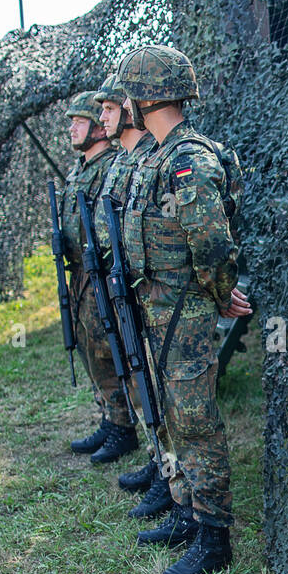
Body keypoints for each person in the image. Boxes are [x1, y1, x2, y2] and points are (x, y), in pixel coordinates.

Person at [115, 45, 252, 574]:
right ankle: (185, 510)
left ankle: (214, 537)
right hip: (158, 306)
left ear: (145, 95)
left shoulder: (186, 159)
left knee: (195, 421)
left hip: (187, 311)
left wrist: (220, 294)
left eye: (130, 91)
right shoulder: (156, 154)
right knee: (173, 416)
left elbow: (212, 243)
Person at [93, 74, 170, 515]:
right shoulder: (126, 158)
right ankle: (157, 459)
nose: (102, 116)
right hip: (124, 283)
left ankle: (169, 471)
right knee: (139, 378)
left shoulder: (149, 157)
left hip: (147, 288)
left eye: (108, 108)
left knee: (153, 383)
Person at [60, 88, 137, 463]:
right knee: (89, 346)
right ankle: (110, 416)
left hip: (101, 274)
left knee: (108, 348)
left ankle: (123, 425)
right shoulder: (82, 168)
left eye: (79, 121)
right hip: (79, 273)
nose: (72, 128)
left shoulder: (112, 164)